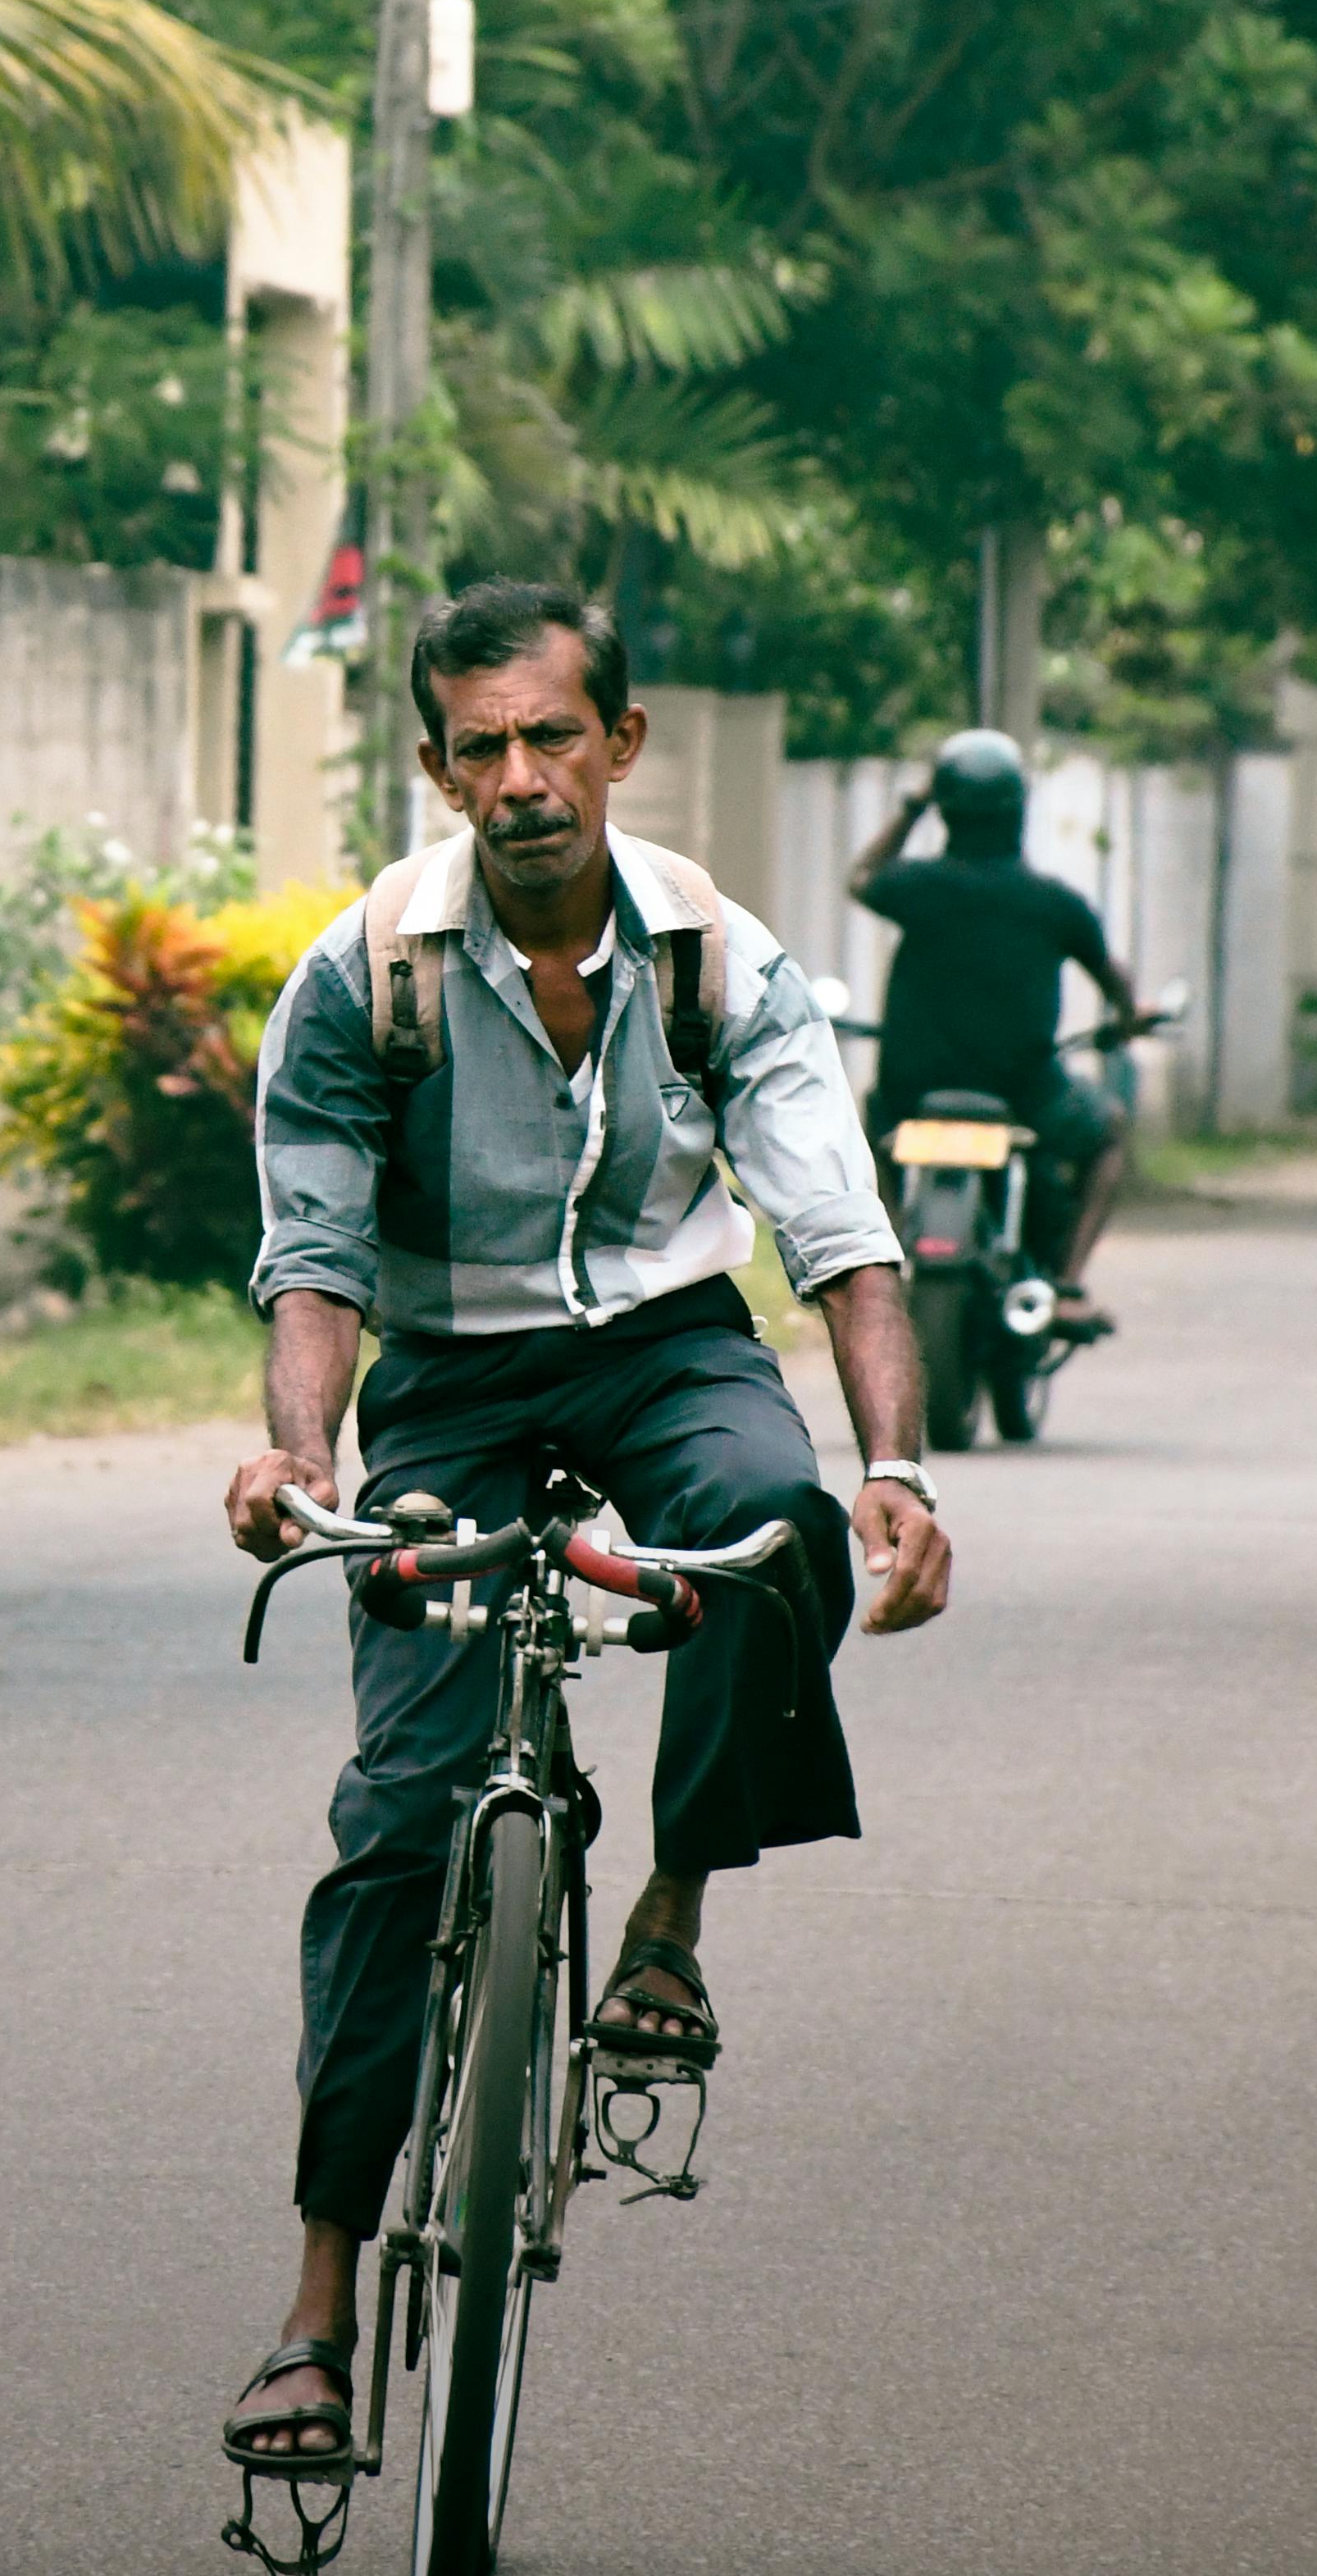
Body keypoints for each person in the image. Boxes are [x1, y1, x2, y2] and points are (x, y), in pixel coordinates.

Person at [221, 578, 951, 2468]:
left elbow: (839, 1232)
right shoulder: (361, 976)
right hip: (447, 1376)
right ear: (434, 764)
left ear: (618, 741)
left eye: (552, 734)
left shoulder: (718, 958)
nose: (520, 777)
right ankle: (316, 2297)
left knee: (768, 1523)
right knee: (399, 1816)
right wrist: (297, 1457)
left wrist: (893, 1463)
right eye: (479, 745)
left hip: (662, 1346)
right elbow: (310, 1251)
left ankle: (666, 1917)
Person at [844, 729, 1149, 1340]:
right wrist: (1129, 1015)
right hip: (1025, 1095)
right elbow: (1112, 976)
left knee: (871, 1124)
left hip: (914, 1093)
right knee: (1109, 1132)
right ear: (1018, 810)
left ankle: (889, 1257)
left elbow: (862, 875)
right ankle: (1067, 1287)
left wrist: (911, 808)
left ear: (946, 810)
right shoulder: (1054, 904)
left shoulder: (915, 889)